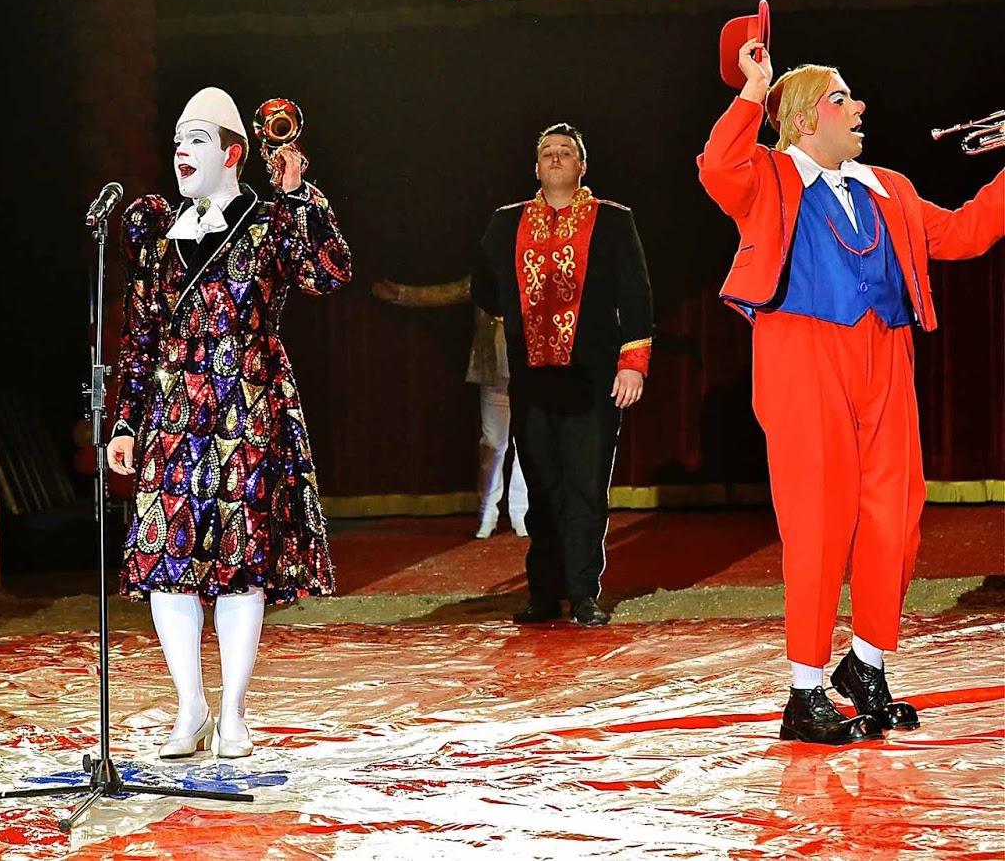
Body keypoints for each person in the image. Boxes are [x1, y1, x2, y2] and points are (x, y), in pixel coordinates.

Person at [701, 38, 1004, 745]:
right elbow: (717, 166)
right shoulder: (770, 176)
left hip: (885, 354)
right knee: (819, 518)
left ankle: (865, 664)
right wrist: (754, 88)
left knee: (897, 516)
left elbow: (964, 233)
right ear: (806, 118)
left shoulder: (888, 187)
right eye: (842, 98)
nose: (860, 105)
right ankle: (804, 690)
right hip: (803, 355)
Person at [108, 86, 352, 760]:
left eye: (197, 140)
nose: (181, 153)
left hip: (249, 407)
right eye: (177, 141)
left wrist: (299, 195)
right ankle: (190, 707)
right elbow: (139, 337)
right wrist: (125, 421)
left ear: (233, 153)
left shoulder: (271, 222)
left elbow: (330, 274)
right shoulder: (157, 233)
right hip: (173, 414)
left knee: (242, 564)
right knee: (167, 560)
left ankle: (235, 712)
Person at [468, 124, 654, 628]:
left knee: (586, 487)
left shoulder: (612, 220)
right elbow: (483, 283)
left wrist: (633, 364)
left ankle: (584, 592)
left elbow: (636, 295)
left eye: (565, 152)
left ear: (581, 166)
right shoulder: (507, 222)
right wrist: (513, 311)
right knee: (543, 487)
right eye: (547, 152)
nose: (555, 158)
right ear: (535, 167)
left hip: (592, 378)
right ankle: (544, 594)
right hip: (533, 379)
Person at [369, 279, 529, 539]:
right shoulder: (487, 280)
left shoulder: (534, 278)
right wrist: (401, 293)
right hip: (494, 376)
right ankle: (488, 513)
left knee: (526, 443)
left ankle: (521, 512)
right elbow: (450, 292)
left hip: (528, 374)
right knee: (493, 444)